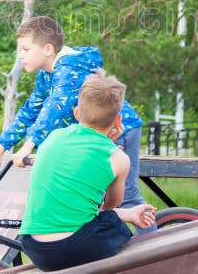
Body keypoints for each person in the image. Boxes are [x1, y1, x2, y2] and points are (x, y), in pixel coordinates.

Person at [0, 15, 156, 232]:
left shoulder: (68, 69)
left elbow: (55, 109)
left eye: (25, 50)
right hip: (92, 133)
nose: (20, 56)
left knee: (128, 196)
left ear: (48, 49)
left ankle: (155, 256)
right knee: (95, 200)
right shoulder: (46, 75)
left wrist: (27, 146)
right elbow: (31, 110)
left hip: (117, 127)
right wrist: (0, 150)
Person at [18, 69, 157, 271]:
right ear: (118, 120)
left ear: (76, 113)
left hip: (34, 247)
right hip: (76, 247)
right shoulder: (118, 158)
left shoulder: (53, 137)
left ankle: (129, 215)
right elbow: (109, 207)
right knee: (115, 228)